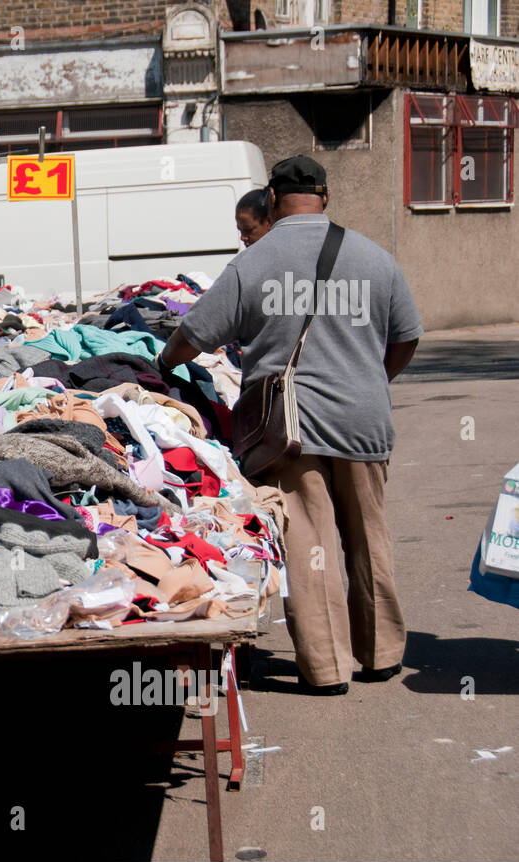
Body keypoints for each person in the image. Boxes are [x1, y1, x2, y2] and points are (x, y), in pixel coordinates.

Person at [158, 156, 422, 695]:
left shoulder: (252, 264)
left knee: (310, 545)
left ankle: (327, 669)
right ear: (325, 196)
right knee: (369, 538)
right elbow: (407, 337)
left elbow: (195, 334)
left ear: (273, 199)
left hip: (288, 432)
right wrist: (371, 380)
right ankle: (382, 654)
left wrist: (163, 364)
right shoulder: (376, 258)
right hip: (364, 420)